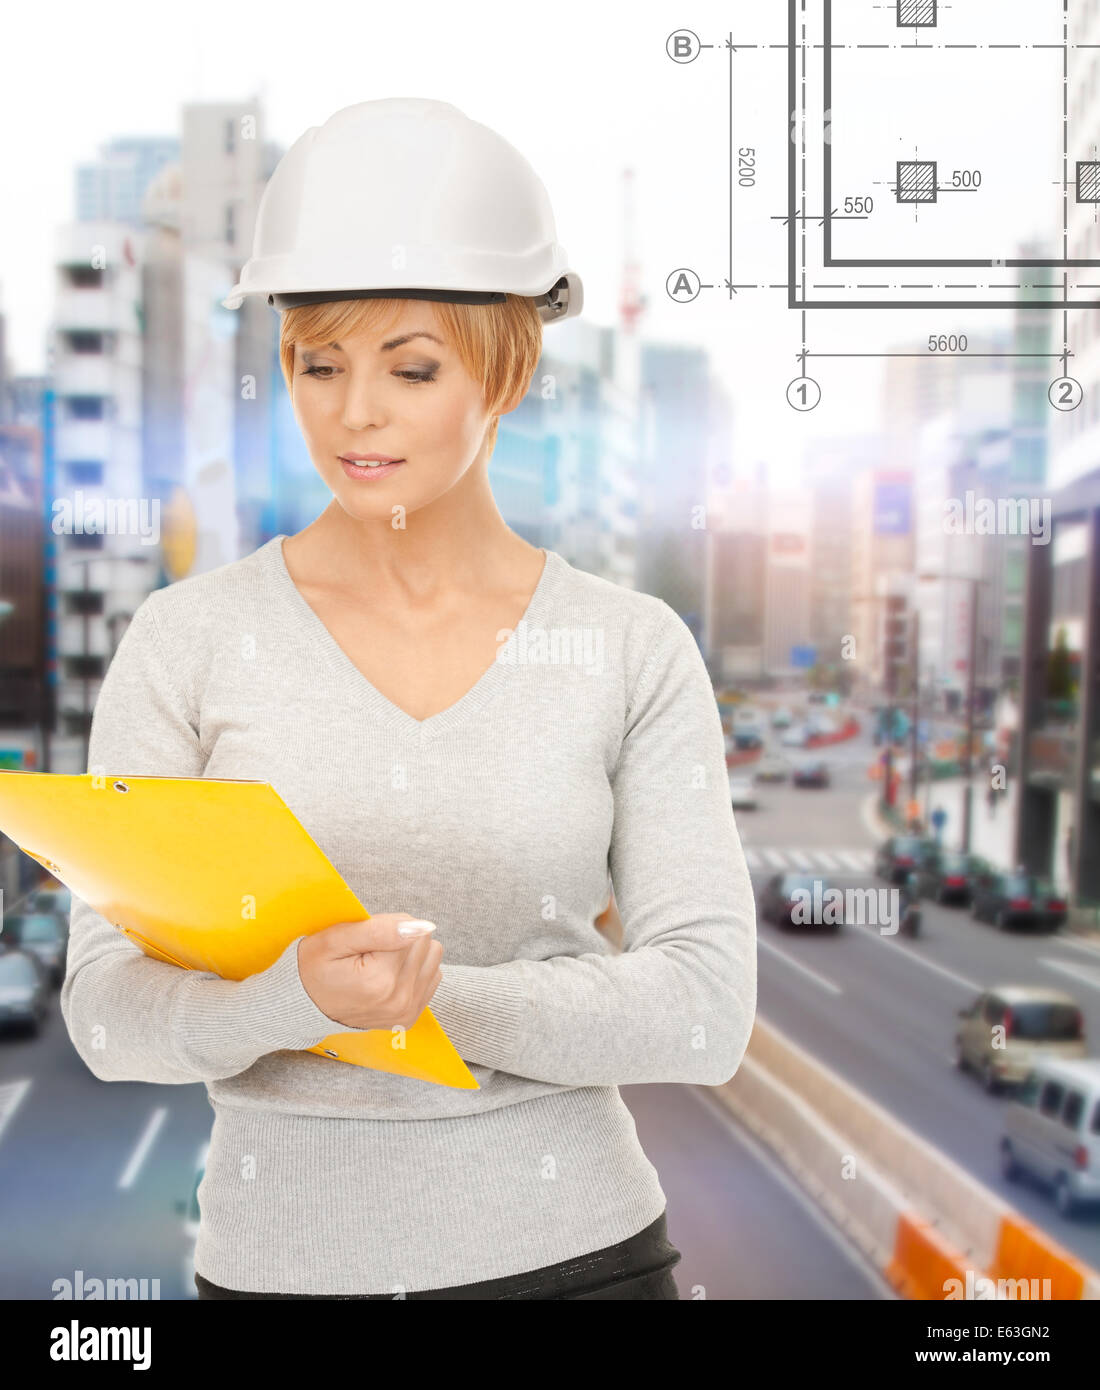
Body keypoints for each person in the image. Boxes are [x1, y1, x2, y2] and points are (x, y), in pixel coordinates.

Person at [59, 99, 756, 1300]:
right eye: (316, 364)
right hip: (276, 1273)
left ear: (509, 368)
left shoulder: (627, 647)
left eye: (412, 366)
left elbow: (702, 1011)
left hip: (575, 1262)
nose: (354, 411)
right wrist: (297, 996)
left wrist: (430, 1002)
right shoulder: (187, 642)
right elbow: (107, 1017)